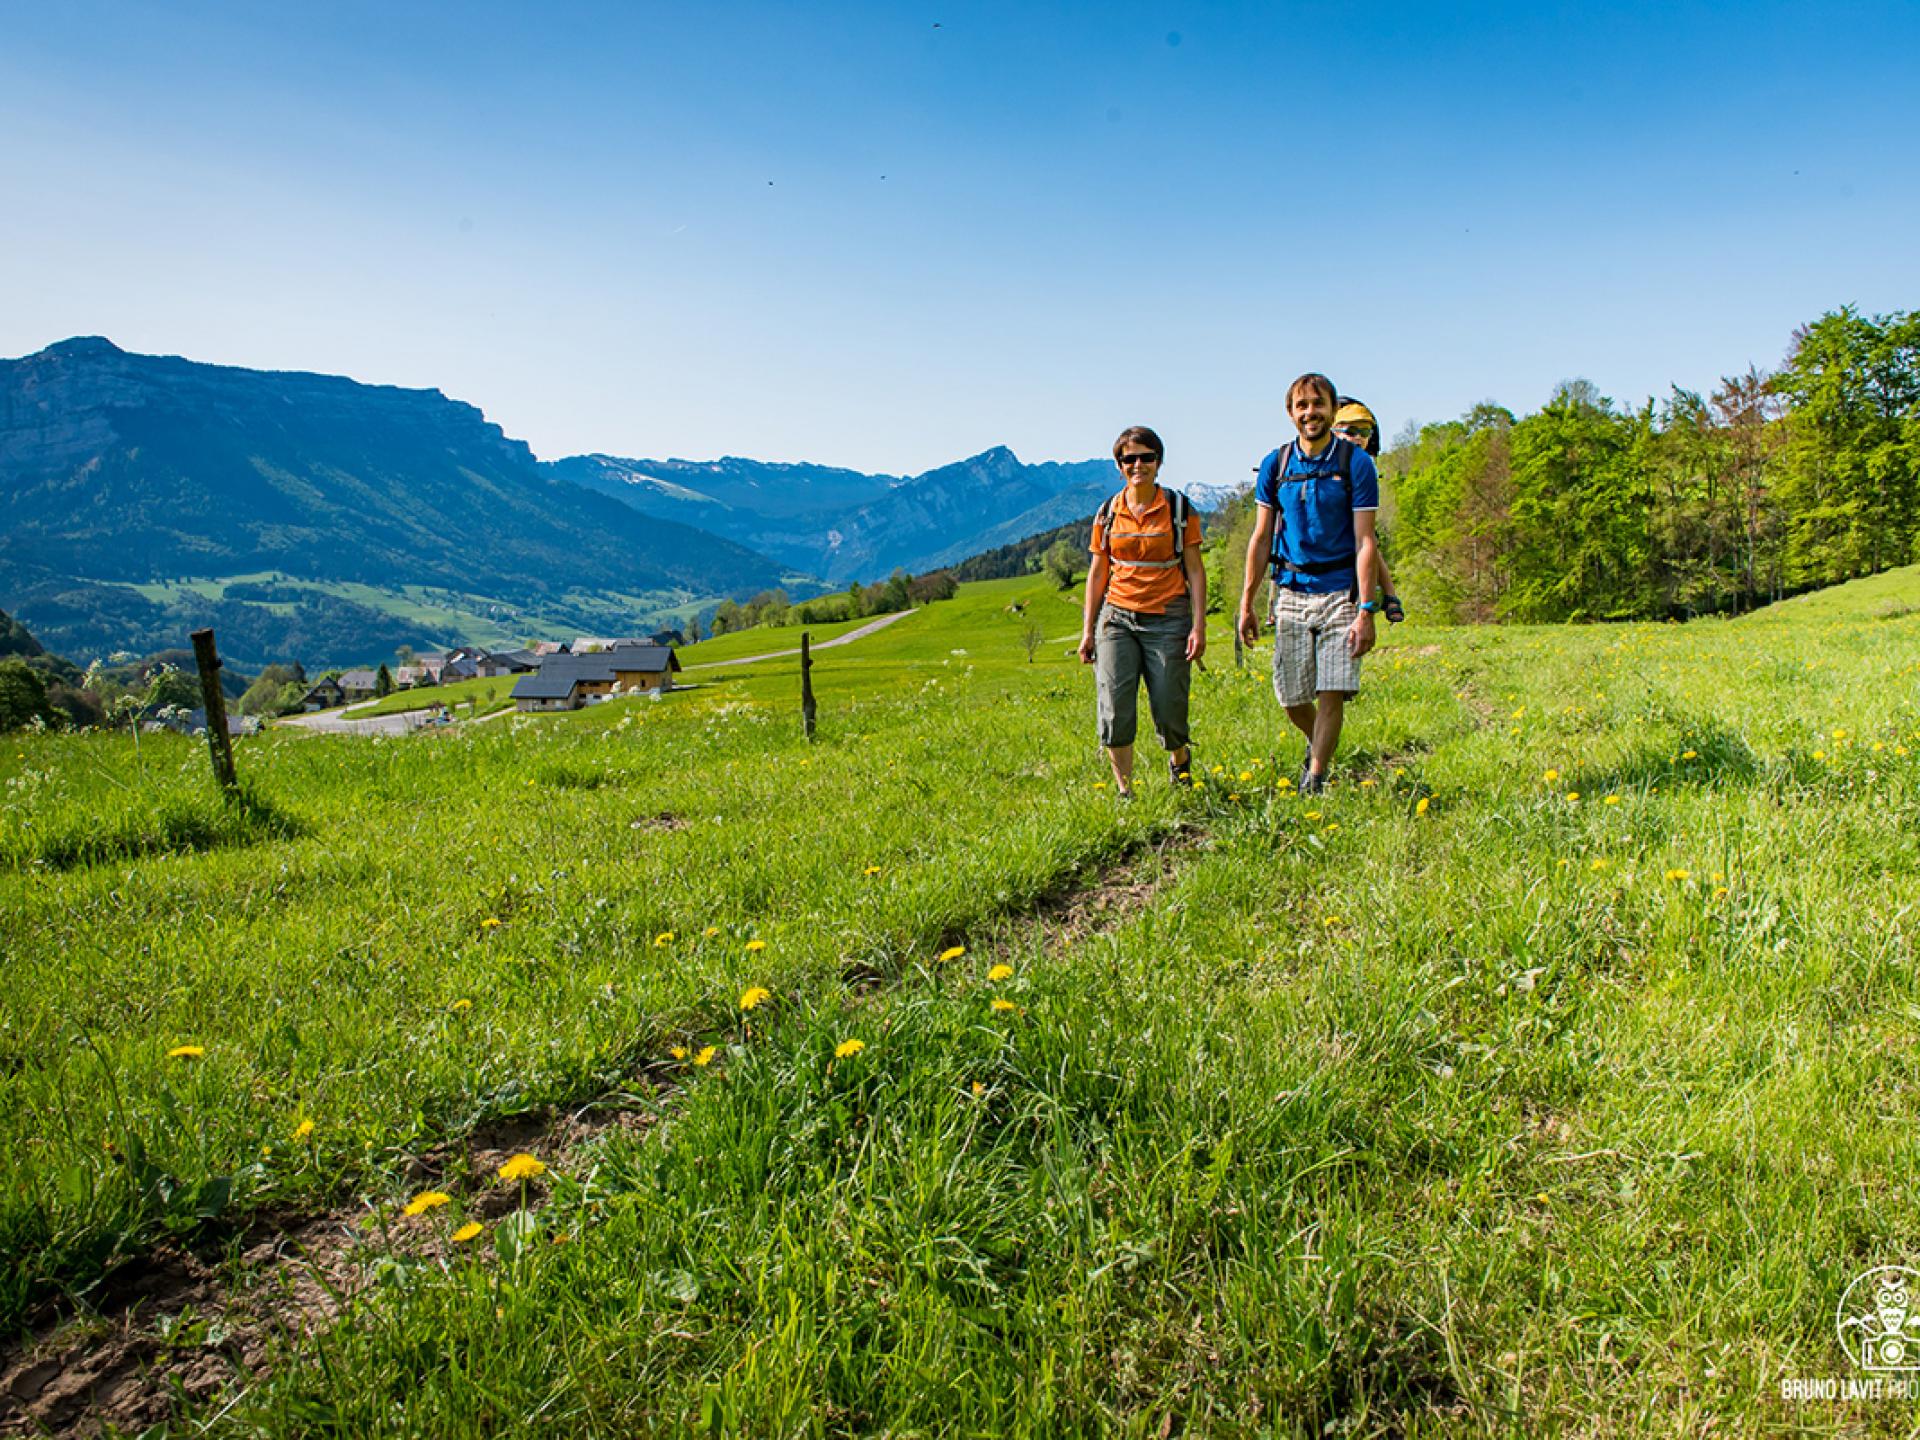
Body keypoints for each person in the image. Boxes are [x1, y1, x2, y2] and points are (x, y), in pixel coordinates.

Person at [1236, 374, 1380, 795]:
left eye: (1318, 404)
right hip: (1292, 591)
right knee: (1291, 696)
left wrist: (1368, 610)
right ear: (1290, 413)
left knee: (1331, 688)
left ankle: (1315, 778)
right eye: (1301, 406)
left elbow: (1366, 539)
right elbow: (1261, 538)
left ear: (1332, 410)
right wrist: (1247, 602)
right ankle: (1318, 742)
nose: (1310, 413)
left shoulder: (1355, 464)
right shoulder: (1275, 465)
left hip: (1341, 592)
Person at [1077, 426, 1206, 797]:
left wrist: (1199, 626)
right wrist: (1088, 630)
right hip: (1117, 617)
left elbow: (1195, 570)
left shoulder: (1179, 509)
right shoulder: (1107, 513)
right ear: (1119, 466)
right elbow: (1098, 571)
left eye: (1146, 457)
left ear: (1158, 462)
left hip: (1169, 616)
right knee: (1115, 706)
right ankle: (1125, 793)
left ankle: (1179, 760)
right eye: (1129, 459)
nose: (1138, 465)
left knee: (1169, 704)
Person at [1332, 398, 1404, 623]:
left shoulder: (1363, 463)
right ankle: (1390, 596)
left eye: (1365, 432)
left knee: (1367, 543)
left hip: (1352, 515)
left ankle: (1387, 596)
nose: (1358, 438)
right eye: (1351, 431)